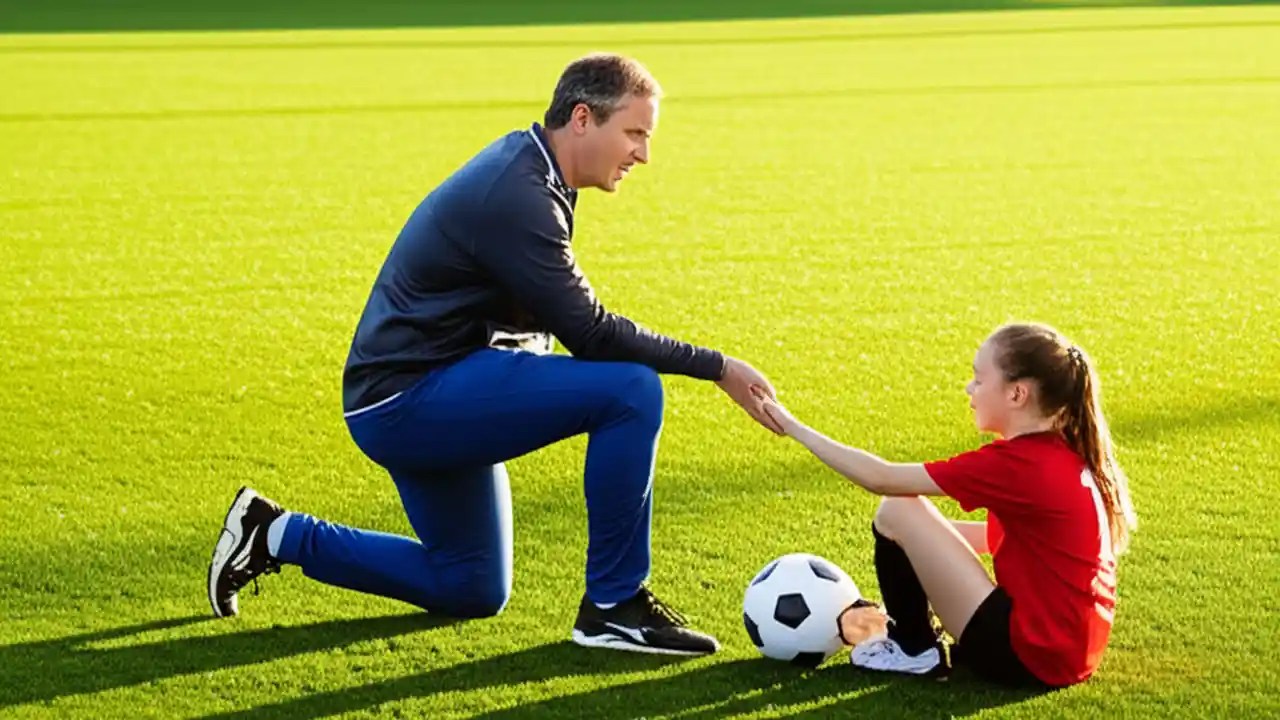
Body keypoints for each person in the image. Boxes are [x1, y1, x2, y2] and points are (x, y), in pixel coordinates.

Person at [206, 53, 782, 657]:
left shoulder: (536, 169)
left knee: (472, 584)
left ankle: (273, 534)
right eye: (635, 133)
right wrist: (718, 367)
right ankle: (614, 605)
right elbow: (592, 333)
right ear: (582, 119)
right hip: (409, 399)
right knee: (631, 391)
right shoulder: (520, 193)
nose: (644, 154)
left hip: (415, 391)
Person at [757, 322, 1137, 688]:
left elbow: (881, 477)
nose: (969, 388)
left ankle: (913, 649)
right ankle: (910, 637)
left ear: (1016, 394)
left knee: (896, 510)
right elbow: (999, 539)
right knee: (908, 523)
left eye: (979, 378)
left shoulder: (1017, 465)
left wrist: (794, 428)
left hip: (1027, 656)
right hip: (1068, 654)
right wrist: (918, 544)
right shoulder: (1060, 451)